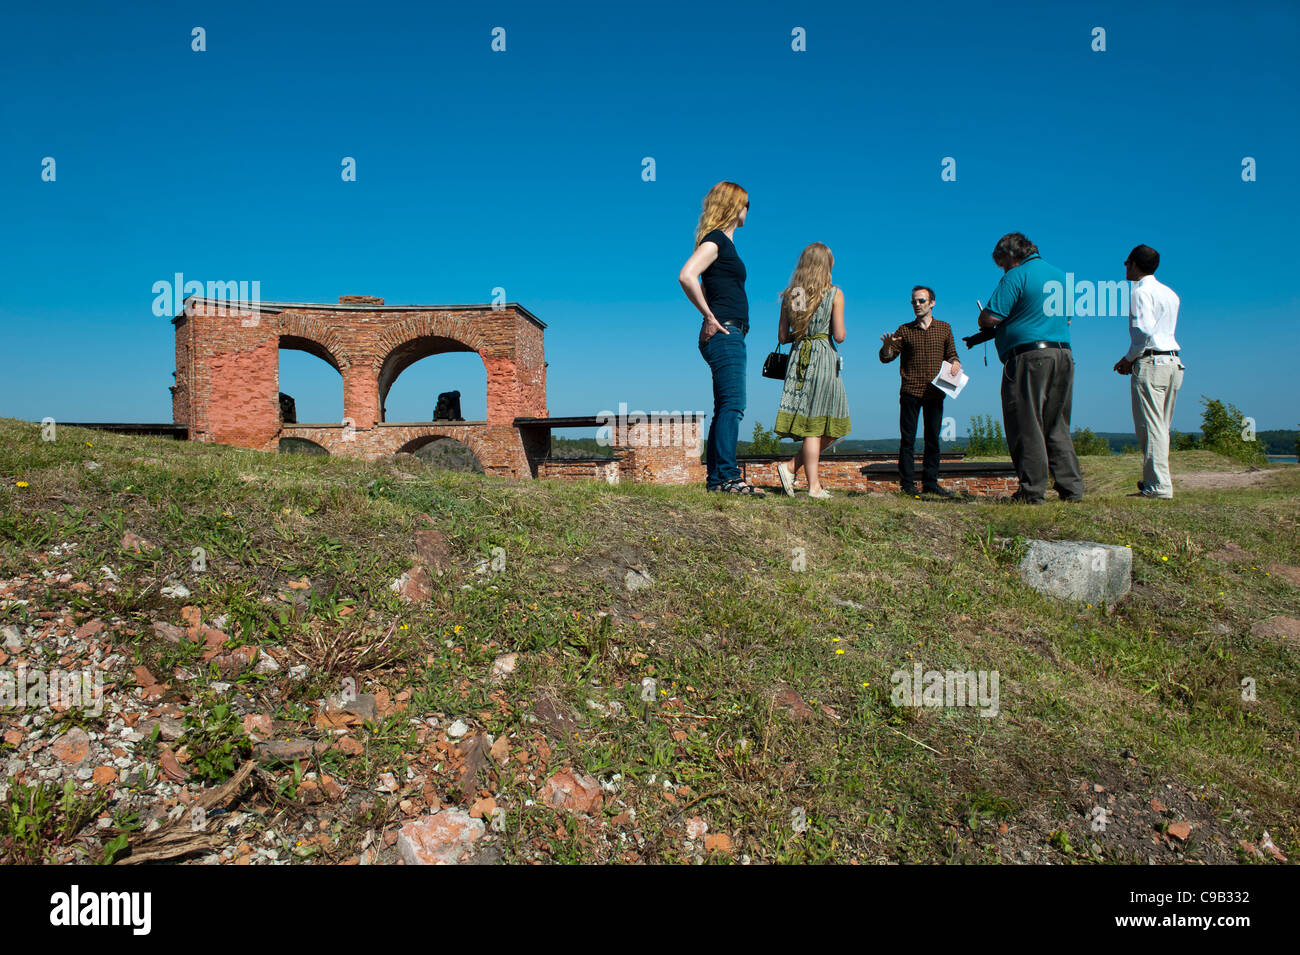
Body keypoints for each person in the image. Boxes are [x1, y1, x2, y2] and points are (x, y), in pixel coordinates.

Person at [975, 232, 1084, 503]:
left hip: (1029, 358)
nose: (1003, 268)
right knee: (1057, 424)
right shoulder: (1060, 277)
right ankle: (1072, 489)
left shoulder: (1016, 275)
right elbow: (1067, 320)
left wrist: (990, 321)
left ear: (1011, 255)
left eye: (1002, 263)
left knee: (1026, 422)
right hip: (1063, 355)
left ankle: (1032, 492)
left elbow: (990, 317)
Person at [678, 181, 764, 495]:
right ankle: (729, 478)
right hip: (725, 332)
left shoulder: (725, 242)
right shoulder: (715, 241)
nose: (747, 210)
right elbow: (686, 275)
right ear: (732, 205)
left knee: (725, 407)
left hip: (729, 333)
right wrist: (710, 315)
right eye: (746, 204)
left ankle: (718, 480)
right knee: (733, 405)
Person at [772, 243, 850, 499]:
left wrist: (802, 331)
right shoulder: (835, 293)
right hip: (824, 358)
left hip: (798, 359)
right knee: (821, 425)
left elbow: (783, 336)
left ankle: (791, 466)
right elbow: (839, 335)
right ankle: (813, 487)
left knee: (815, 424)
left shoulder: (794, 295)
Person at [1113, 244, 1183, 499]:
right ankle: (1156, 481)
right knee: (1161, 426)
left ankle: (1157, 486)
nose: (1125, 267)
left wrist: (1128, 359)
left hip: (1151, 362)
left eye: (1126, 263)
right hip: (1173, 362)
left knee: (1150, 428)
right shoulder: (1170, 293)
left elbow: (1142, 332)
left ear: (1133, 264)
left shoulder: (1140, 292)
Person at [879, 286, 959, 497]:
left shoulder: (944, 328)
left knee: (933, 439)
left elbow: (952, 354)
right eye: (914, 301)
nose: (917, 305)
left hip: (935, 392)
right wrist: (887, 346)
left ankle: (930, 483)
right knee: (908, 440)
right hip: (910, 391)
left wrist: (956, 363)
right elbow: (886, 357)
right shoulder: (904, 330)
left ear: (932, 303)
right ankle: (907, 485)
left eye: (921, 301)